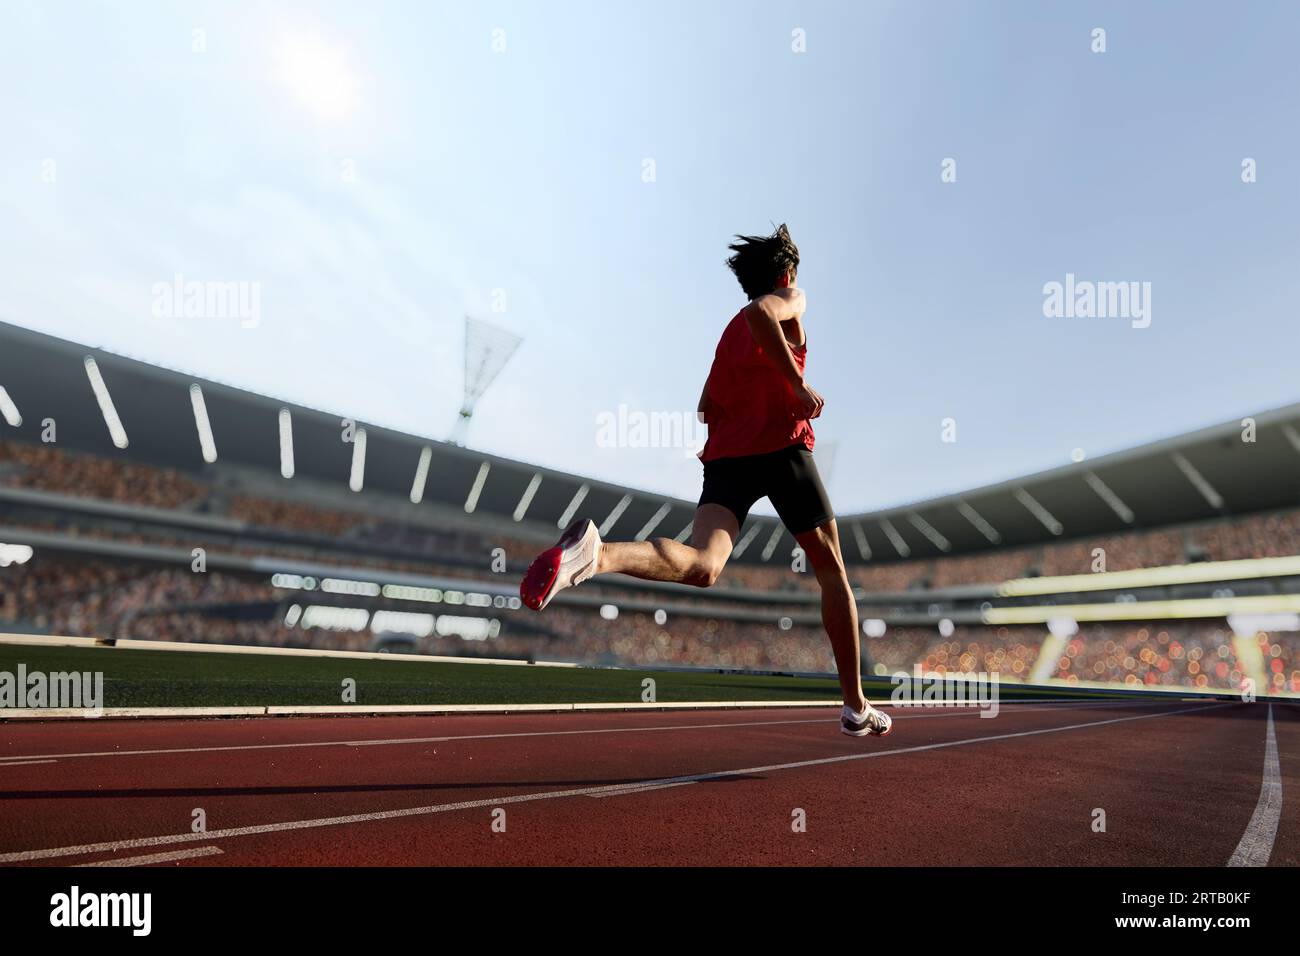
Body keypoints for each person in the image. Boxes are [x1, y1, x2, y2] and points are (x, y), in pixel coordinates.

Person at [519, 224, 890, 737]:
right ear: (787, 273)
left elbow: (703, 406)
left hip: (729, 461)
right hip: (783, 451)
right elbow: (764, 314)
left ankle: (599, 556)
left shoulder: (728, 336)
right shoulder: (786, 299)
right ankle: (854, 705)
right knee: (833, 574)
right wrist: (796, 384)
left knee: (704, 565)